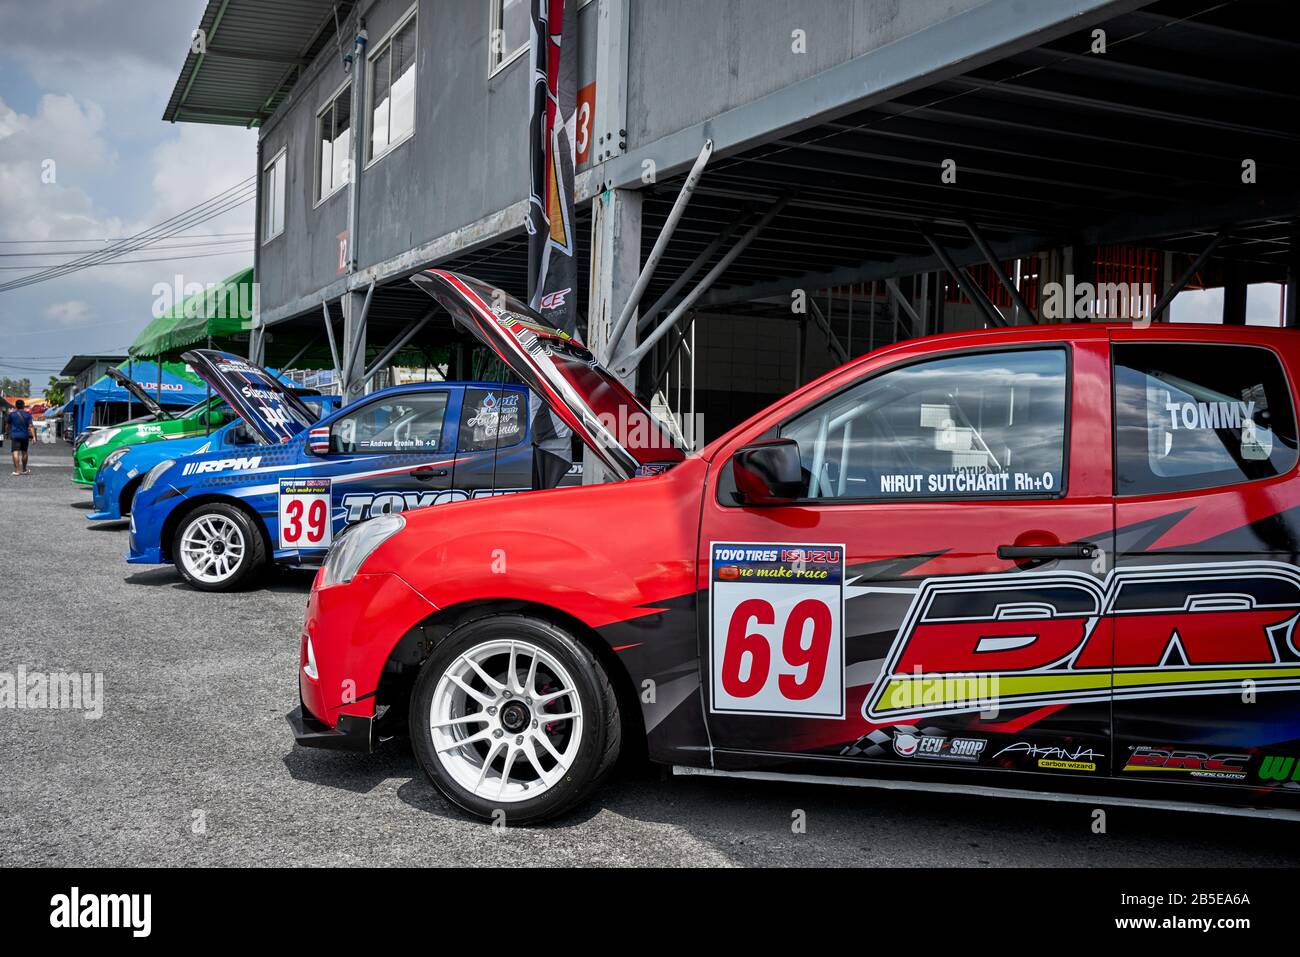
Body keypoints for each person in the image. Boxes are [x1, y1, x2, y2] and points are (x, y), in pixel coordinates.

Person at [8, 399, 34, 475]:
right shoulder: (28, 415)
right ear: (23, 406)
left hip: (15, 435)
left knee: (15, 452)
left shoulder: (12, 414)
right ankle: (24, 469)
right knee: (24, 452)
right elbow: (31, 426)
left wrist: (7, 432)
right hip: (25, 436)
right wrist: (34, 437)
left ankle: (17, 470)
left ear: (16, 406)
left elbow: (8, 425)